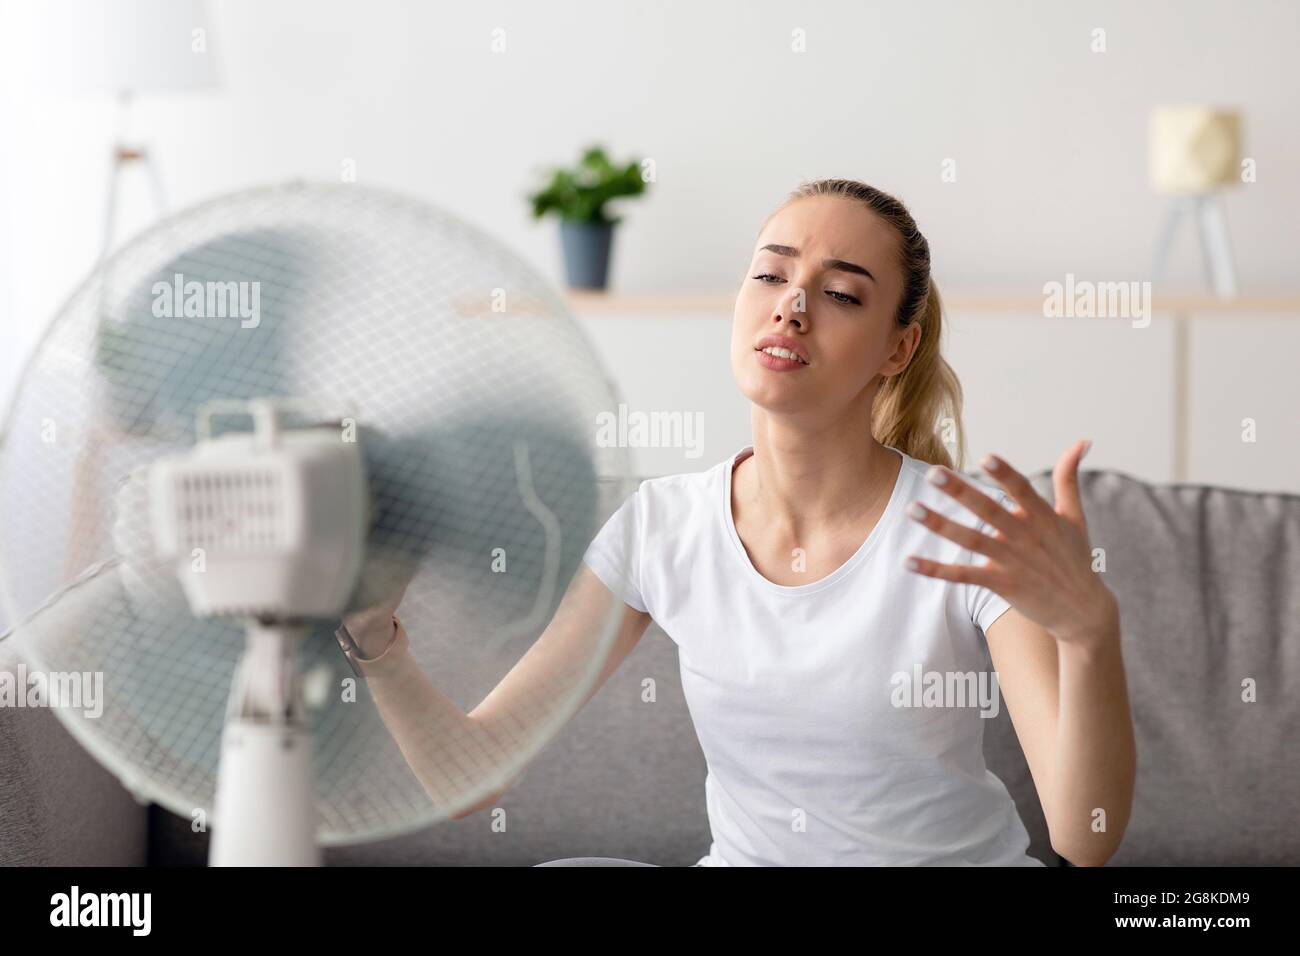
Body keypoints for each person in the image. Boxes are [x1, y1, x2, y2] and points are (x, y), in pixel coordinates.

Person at [341, 178, 1136, 867]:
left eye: (842, 293)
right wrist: (374, 639)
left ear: (899, 347)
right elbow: (475, 771)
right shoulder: (661, 526)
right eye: (770, 274)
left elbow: (1085, 836)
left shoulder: (969, 528)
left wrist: (1089, 635)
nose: (792, 305)